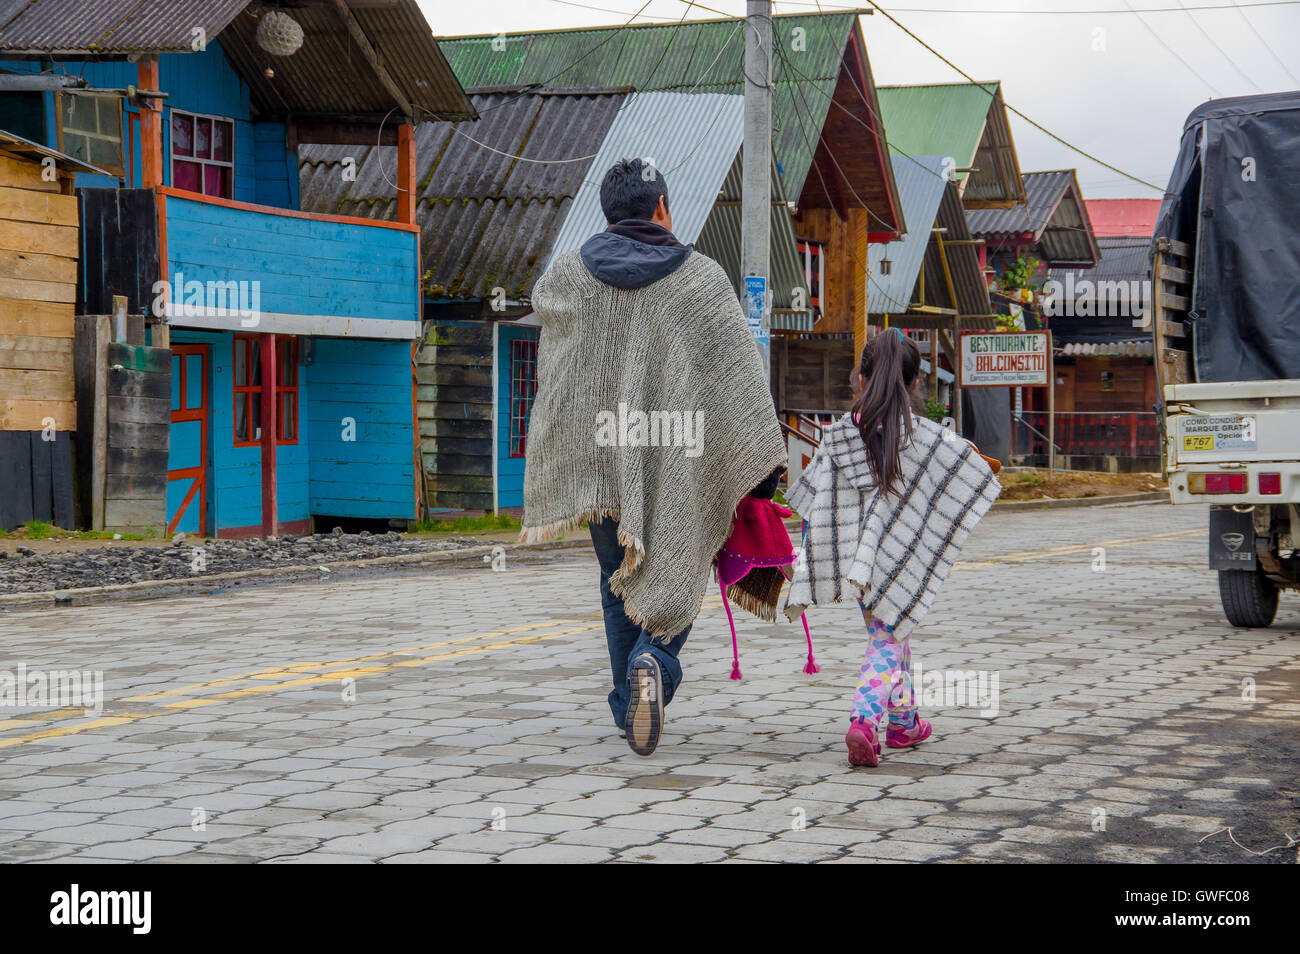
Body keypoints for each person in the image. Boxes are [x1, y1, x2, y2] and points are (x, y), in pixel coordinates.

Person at [522, 158, 786, 757]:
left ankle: (627, 706)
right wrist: (759, 470)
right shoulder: (703, 281)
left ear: (607, 213)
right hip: (683, 464)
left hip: (605, 469)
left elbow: (557, 368)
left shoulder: (569, 277)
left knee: (618, 582)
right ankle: (655, 663)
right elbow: (739, 384)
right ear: (663, 207)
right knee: (684, 568)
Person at [783, 328, 1002, 766]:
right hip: (900, 555)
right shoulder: (925, 438)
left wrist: (806, 555)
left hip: (856, 560)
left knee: (890, 626)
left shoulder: (839, 436)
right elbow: (974, 467)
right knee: (886, 636)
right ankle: (864, 720)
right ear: (916, 383)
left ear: (860, 378)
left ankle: (904, 723)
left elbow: (817, 499)